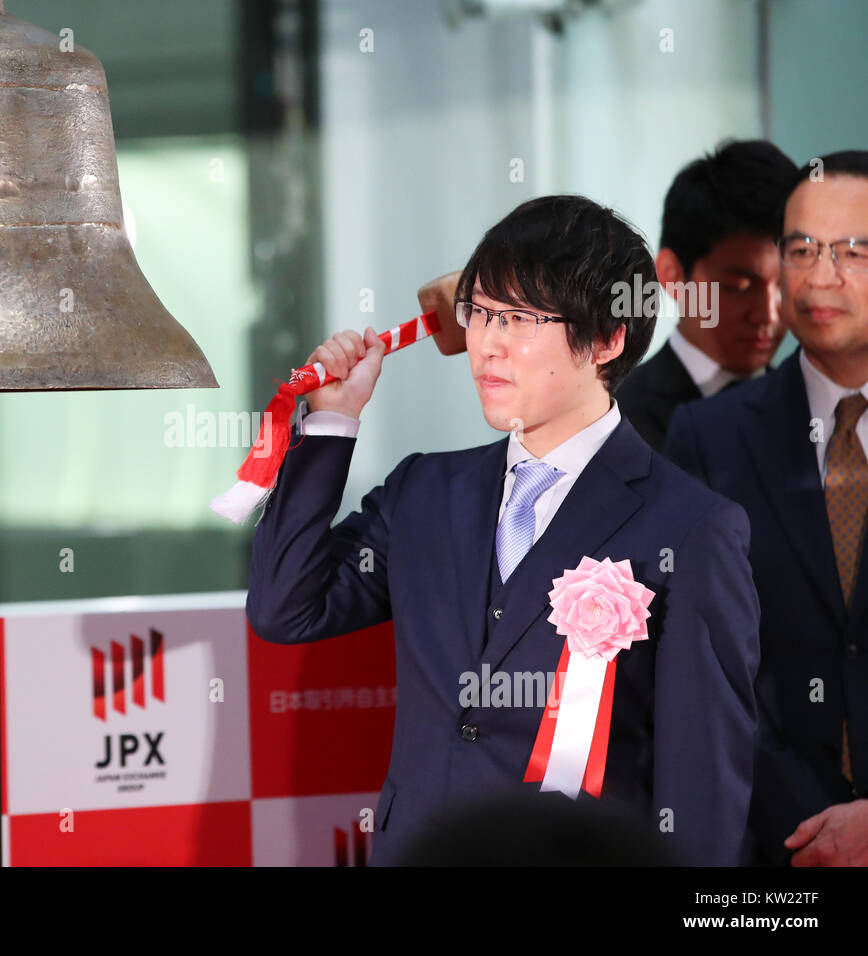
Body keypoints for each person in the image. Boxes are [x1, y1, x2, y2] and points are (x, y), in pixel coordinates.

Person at [246, 194, 760, 866]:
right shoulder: (424, 492)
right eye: (480, 312)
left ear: (607, 339)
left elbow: (702, 793)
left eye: (519, 318)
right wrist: (334, 423)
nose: (487, 343)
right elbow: (286, 609)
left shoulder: (693, 528)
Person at [664, 151, 868, 866]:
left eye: (855, 251)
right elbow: (701, 665)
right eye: (802, 249)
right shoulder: (710, 436)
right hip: (768, 846)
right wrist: (812, 821)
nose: (822, 275)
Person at [616, 140, 795, 449]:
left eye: (783, 286)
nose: (768, 314)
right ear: (672, 275)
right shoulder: (617, 422)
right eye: (738, 287)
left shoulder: (810, 408)